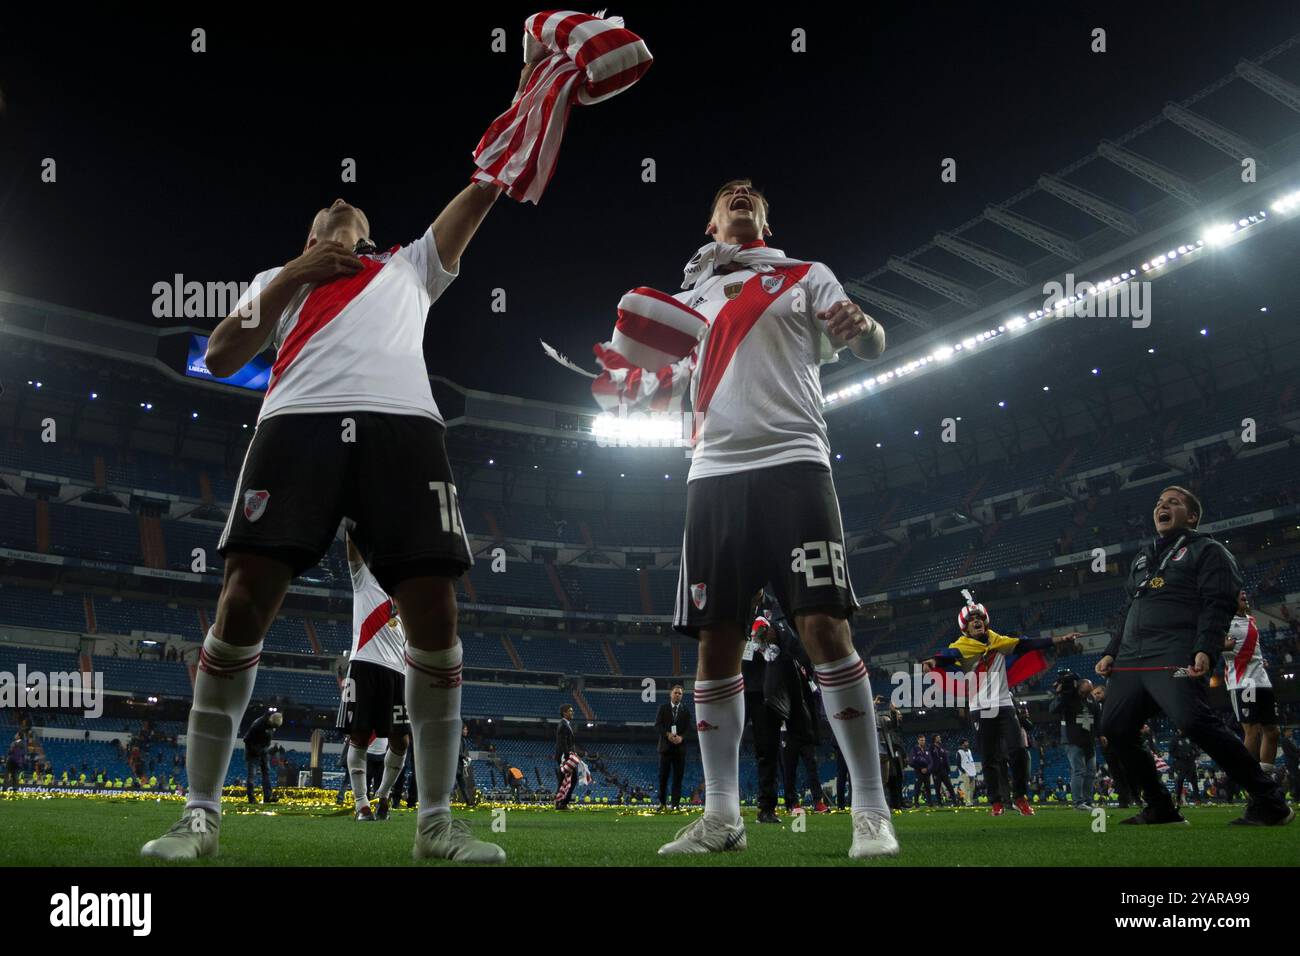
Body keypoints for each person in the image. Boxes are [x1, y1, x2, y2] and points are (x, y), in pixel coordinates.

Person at [141, 61, 543, 865]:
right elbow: (222, 355)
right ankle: (199, 816)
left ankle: (433, 823)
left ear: (366, 230)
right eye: (329, 211)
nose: (342, 207)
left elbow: (485, 187)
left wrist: (528, 103)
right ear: (312, 231)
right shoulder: (276, 281)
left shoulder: (408, 267)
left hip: (405, 431)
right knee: (241, 601)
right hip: (296, 424)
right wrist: (295, 273)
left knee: (435, 610)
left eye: (350, 211)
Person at [659, 180, 895, 859]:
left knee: (824, 626)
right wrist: (631, 374)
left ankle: (871, 813)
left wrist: (867, 329)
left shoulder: (805, 275)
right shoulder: (687, 300)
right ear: (711, 221)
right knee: (716, 642)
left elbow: (870, 342)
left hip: (796, 463)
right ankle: (722, 817)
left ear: (762, 216)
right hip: (712, 475)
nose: (741, 195)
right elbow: (658, 379)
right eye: (728, 194)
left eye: (751, 195)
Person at [1096, 486, 1293, 826]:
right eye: (1159, 502)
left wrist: (1206, 645)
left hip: (1174, 650)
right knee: (1114, 729)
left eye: (1173, 502)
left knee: (1192, 720)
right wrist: (1112, 651)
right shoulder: (1142, 558)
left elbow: (1219, 602)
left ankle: (1270, 801)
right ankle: (1161, 808)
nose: (1163, 506)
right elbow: (1131, 607)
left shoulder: (1208, 551)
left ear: (1192, 517)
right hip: (1130, 657)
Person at [924, 602, 1078, 816]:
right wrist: (933, 661)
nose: (976, 621)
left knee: (1018, 751)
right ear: (965, 628)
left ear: (985, 622)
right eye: (971, 620)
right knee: (989, 757)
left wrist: (1058, 639)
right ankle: (996, 802)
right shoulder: (961, 647)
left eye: (979, 617)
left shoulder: (999, 642)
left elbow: (1027, 644)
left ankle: (1021, 797)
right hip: (980, 707)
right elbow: (946, 655)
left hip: (1004, 703)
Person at [337, 535, 409, 822]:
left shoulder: (403, 599)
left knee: (401, 741)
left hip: (397, 674)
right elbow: (353, 552)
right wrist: (353, 521)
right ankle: (361, 804)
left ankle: (383, 796)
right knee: (359, 736)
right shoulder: (364, 579)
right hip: (364, 666)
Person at [1222, 591, 1280, 778]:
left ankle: (1266, 779)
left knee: (1272, 731)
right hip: (1243, 682)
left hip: (1262, 680)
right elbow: (1213, 646)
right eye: (1239, 594)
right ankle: (1250, 779)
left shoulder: (1251, 619)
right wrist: (1224, 647)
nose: (1244, 594)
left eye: (1244, 593)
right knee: (1252, 730)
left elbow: (1251, 647)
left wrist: (1260, 660)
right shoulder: (1224, 621)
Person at [741, 603, 782, 824]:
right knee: (725, 748)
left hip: (762, 693)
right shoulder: (735, 612)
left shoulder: (770, 615)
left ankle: (767, 808)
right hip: (737, 690)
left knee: (767, 750)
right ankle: (719, 804)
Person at [1050, 672, 1100, 809]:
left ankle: (1088, 801)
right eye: (1083, 692)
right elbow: (1053, 709)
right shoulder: (1068, 697)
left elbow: (1097, 718)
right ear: (1078, 688)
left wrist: (1100, 735)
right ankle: (1078, 802)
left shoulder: (1091, 699)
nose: (1086, 695)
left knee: (1090, 772)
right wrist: (1060, 695)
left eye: (1088, 692)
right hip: (1073, 740)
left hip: (1089, 740)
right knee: (1079, 771)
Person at [654, 684, 691, 810]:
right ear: (671, 694)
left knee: (678, 778)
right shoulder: (663, 708)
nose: (677, 695)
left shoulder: (685, 711)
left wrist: (681, 737)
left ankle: (675, 805)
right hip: (665, 748)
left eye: (680, 693)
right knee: (663, 777)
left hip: (679, 749)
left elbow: (688, 729)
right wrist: (667, 734)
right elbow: (658, 725)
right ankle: (662, 804)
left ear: (682, 696)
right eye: (675, 693)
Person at [242, 710, 282, 804]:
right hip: (252, 753)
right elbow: (246, 739)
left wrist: (268, 750)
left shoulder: (271, 724)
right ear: (270, 721)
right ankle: (251, 798)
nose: (274, 728)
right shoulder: (258, 724)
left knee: (266, 774)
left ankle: (268, 797)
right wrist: (256, 751)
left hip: (263, 751)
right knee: (252, 775)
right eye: (273, 726)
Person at [555, 705, 580, 809]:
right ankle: (563, 803)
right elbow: (563, 743)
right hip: (565, 757)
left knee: (563, 780)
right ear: (564, 713)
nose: (572, 713)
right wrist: (567, 756)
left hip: (565, 756)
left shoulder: (565, 724)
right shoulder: (564, 725)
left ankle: (560, 803)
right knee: (573, 779)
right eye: (570, 711)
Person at [1169, 732, 1200, 807]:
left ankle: (1198, 800)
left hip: (1190, 763)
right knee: (1180, 782)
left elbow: (1196, 749)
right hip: (1180, 763)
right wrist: (1179, 756)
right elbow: (1171, 751)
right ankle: (1178, 800)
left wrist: (1195, 754)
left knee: (1194, 782)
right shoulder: (1175, 739)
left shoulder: (1190, 738)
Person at [929, 735, 957, 806]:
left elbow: (946, 758)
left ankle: (955, 802)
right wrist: (932, 769)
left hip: (943, 770)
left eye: (939, 738)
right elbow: (930, 759)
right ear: (934, 739)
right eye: (938, 738)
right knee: (937, 788)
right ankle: (940, 803)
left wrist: (948, 768)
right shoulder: (931, 747)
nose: (940, 739)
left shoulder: (942, 746)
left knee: (949, 786)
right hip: (936, 771)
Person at [908, 735, 932, 807]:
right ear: (918, 741)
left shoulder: (927, 749)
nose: (923, 741)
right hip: (918, 772)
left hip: (927, 772)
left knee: (928, 788)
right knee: (917, 788)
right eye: (921, 740)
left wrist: (927, 769)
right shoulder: (914, 749)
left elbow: (931, 761)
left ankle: (930, 803)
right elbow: (911, 762)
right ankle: (916, 803)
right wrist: (920, 768)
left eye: (924, 740)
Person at [956, 738, 978, 806]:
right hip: (965, 772)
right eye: (966, 742)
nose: (967, 743)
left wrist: (974, 771)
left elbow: (971, 761)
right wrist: (963, 771)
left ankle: (971, 801)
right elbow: (958, 763)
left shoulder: (969, 751)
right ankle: (967, 802)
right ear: (963, 744)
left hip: (972, 772)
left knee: (972, 788)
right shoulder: (959, 752)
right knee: (967, 787)